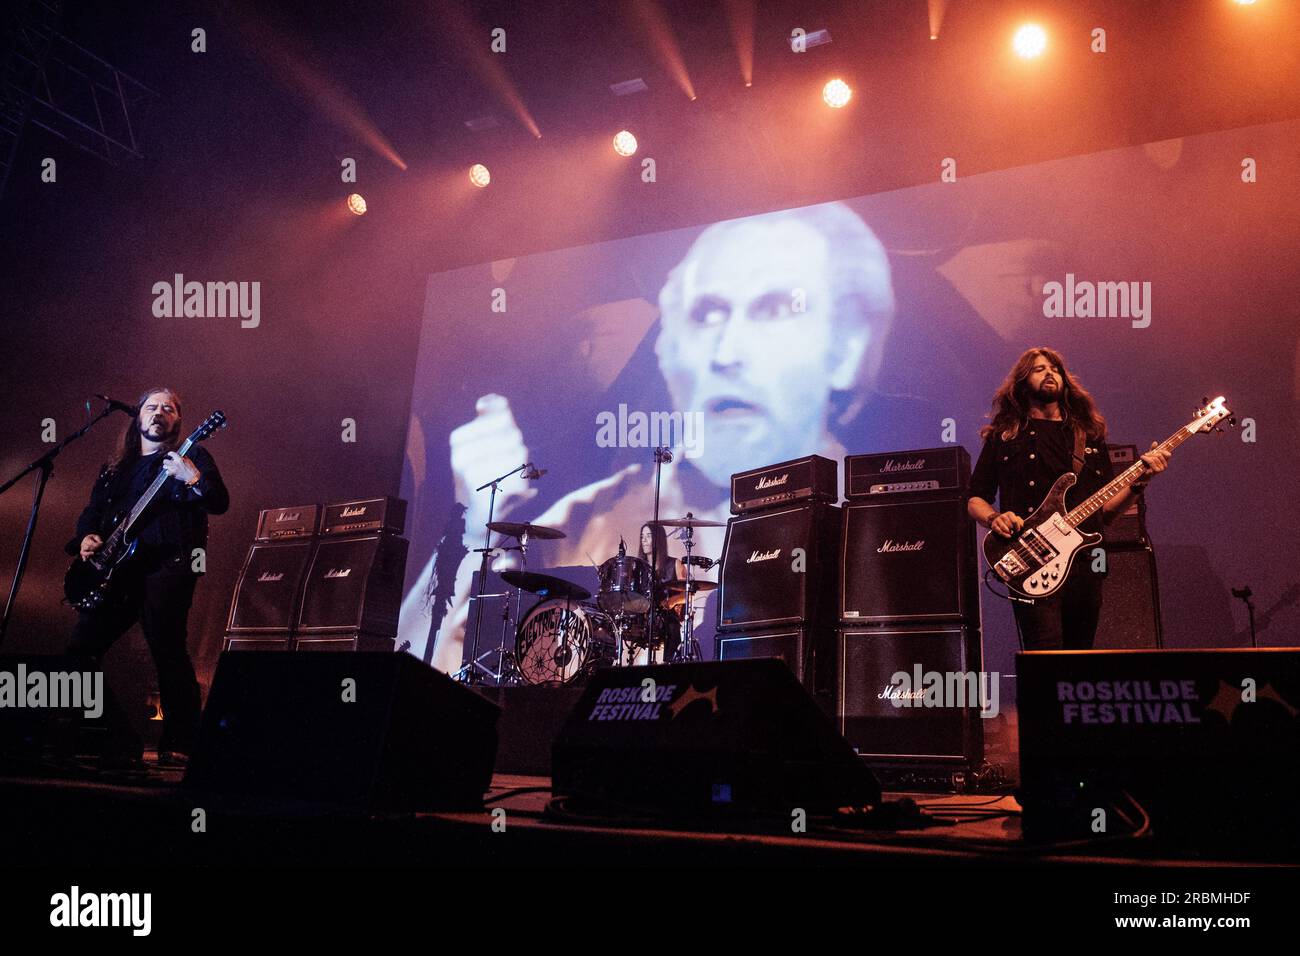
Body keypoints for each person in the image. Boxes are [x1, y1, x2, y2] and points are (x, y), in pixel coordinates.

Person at [401, 202, 927, 673]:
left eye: (773, 309)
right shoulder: (590, 517)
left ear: (848, 347)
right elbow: (423, 669)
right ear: (669, 353)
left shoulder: (870, 519)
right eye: (706, 314)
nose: (728, 351)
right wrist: (475, 532)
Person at [65, 387, 229, 764]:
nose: (159, 412)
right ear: (137, 416)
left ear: (178, 421)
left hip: (166, 566)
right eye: (152, 407)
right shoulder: (115, 469)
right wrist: (86, 538)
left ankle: (182, 743)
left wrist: (192, 478)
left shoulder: (193, 454)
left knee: (167, 648)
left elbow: (220, 502)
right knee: (79, 650)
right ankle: (106, 734)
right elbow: (92, 510)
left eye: (168, 408)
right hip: (117, 570)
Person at [966, 348, 1169, 650]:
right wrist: (995, 518)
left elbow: (1106, 514)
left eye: (1055, 368)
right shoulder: (1005, 436)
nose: (1049, 373)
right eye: (1038, 369)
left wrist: (1140, 481)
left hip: (1085, 562)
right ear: (1022, 383)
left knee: (1079, 657)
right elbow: (975, 499)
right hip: (1032, 558)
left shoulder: (1087, 436)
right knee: (1045, 653)